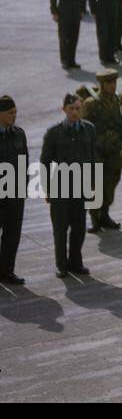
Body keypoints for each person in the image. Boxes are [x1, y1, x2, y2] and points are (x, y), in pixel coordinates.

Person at [41, 93, 98, 277]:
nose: (74, 112)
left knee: (79, 227)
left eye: (77, 108)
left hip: (81, 187)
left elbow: (93, 157)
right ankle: (61, 264)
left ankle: (76, 262)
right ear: (64, 109)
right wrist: (47, 189)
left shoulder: (89, 129)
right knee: (60, 228)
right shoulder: (54, 133)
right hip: (61, 187)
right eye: (71, 108)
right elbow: (45, 163)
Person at [0, 97, 27, 283]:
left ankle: (7, 272)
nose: (14, 116)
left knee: (12, 235)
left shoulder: (19, 134)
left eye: (15, 112)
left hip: (14, 195)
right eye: (10, 113)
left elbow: (24, 162)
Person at [51, 0, 84, 69]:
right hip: (64, 10)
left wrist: (82, 10)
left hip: (75, 10)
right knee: (64, 37)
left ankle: (72, 60)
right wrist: (54, 12)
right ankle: (65, 60)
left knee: (74, 36)